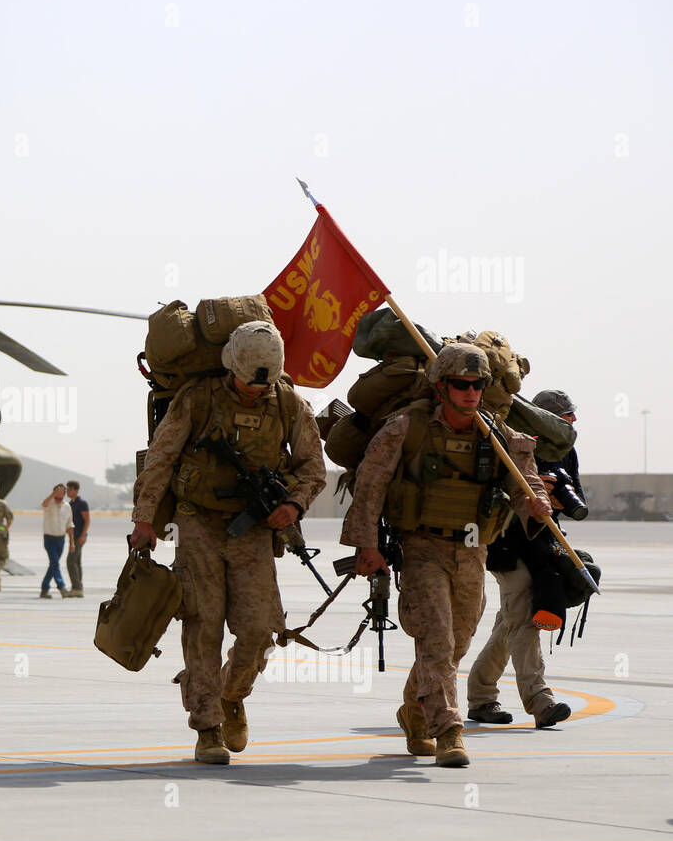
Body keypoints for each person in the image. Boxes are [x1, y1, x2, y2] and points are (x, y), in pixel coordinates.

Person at [342, 343, 552, 767]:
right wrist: (366, 546)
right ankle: (449, 731)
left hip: (473, 549)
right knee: (436, 639)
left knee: (457, 642)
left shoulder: (494, 433)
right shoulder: (407, 427)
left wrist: (536, 501)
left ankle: (415, 711)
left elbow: (523, 478)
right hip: (422, 547)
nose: (471, 392)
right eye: (462, 385)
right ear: (442, 387)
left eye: (478, 385)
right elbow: (370, 485)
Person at [131, 321, 325, 765]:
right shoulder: (197, 400)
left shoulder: (290, 405)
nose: (255, 391)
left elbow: (314, 467)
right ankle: (207, 726)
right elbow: (160, 460)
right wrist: (145, 520)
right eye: (246, 382)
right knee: (203, 625)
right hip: (197, 523)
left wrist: (293, 505)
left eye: (264, 384)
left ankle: (231, 694)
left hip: (253, 529)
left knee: (259, 631)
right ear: (230, 368)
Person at [467, 389, 581, 728]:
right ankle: (540, 701)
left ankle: (481, 696)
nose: (570, 425)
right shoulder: (509, 442)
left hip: (544, 546)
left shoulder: (564, 451)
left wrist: (553, 499)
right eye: (564, 419)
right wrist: (526, 495)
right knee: (525, 620)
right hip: (507, 544)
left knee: (510, 625)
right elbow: (488, 493)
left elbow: (576, 497)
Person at [39, 484, 73, 598]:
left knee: (53, 565)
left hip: (61, 539)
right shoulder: (49, 504)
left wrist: (72, 542)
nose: (60, 493)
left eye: (62, 491)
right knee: (55, 563)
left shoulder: (67, 506)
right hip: (49, 538)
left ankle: (44, 589)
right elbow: (43, 504)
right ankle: (61, 586)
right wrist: (53, 494)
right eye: (57, 491)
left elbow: (69, 524)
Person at [65, 481, 90, 598]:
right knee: (76, 561)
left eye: (69, 489)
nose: (67, 492)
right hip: (73, 536)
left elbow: (87, 520)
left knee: (70, 561)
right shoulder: (70, 503)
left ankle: (77, 587)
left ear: (75, 490)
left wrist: (83, 535)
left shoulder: (82, 503)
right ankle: (78, 587)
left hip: (79, 535)